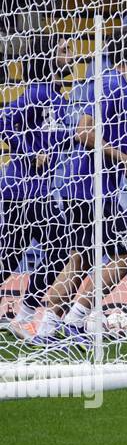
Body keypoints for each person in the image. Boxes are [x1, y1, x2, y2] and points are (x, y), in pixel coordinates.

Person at [35, 28, 127, 342]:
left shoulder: (113, 85)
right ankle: (75, 318)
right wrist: (124, 159)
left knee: (79, 260)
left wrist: (125, 165)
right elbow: (84, 132)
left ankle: (46, 330)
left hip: (82, 188)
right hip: (91, 191)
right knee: (126, 257)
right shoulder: (112, 84)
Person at [0, 37, 78, 336]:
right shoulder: (37, 93)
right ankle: (25, 314)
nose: (71, 55)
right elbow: (4, 121)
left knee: (9, 258)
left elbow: (55, 140)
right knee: (59, 248)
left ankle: (23, 316)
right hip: (23, 190)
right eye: (64, 50)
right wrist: (29, 153)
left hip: (34, 192)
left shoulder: (59, 99)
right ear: (48, 58)